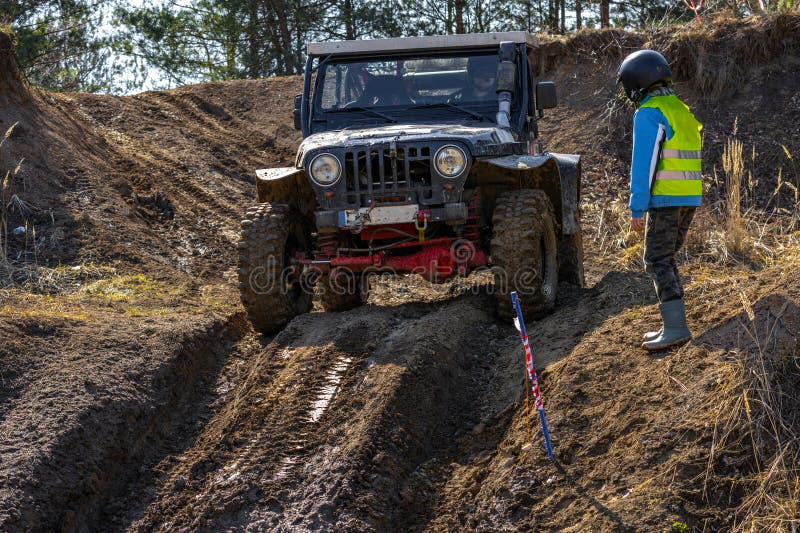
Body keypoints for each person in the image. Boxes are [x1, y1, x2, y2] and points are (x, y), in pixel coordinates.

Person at [617, 49, 703, 351]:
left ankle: (676, 328)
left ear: (635, 83)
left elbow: (644, 164)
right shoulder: (681, 108)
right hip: (690, 197)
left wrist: (636, 206)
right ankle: (672, 323)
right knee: (666, 257)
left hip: (666, 199)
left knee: (657, 259)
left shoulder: (649, 112)